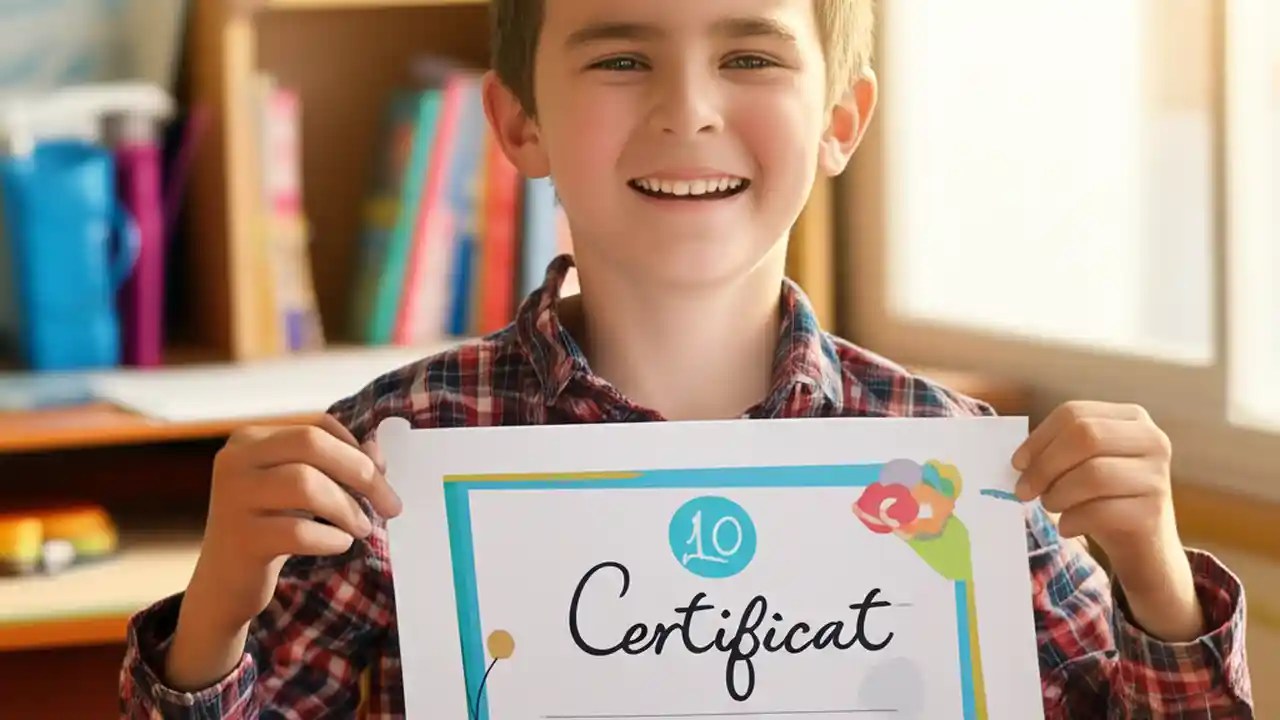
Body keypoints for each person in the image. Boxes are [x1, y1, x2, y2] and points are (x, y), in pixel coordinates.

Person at [118, 0, 1254, 717]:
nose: (688, 109)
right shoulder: (396, 456)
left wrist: (1154, 583)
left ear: (840, 119)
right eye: (619, 55)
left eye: (751, 52)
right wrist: (212, 617)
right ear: (518, 126)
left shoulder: (957, 472)